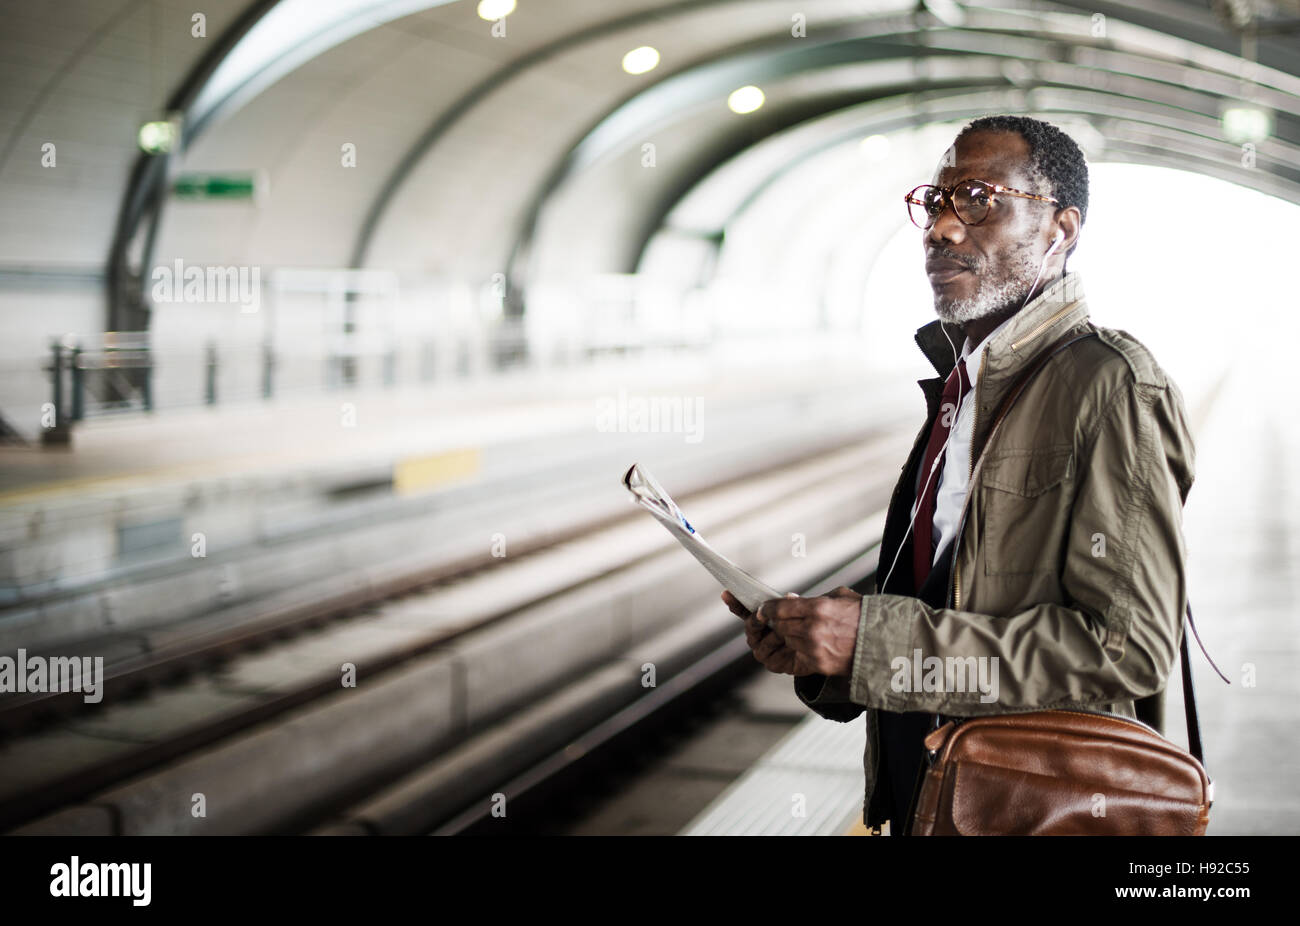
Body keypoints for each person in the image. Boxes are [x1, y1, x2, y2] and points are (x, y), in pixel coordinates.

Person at [721, 114, 1195, 835]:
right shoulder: (963, 385)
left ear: (1059, 230)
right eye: (936, 203)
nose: (941, 229)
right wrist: (828, 646)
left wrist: (877, 642)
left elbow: (1124, 651)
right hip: (933, 796)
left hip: (1032, 806)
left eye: (980, 200)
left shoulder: (1111, 385)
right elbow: (943, 597)